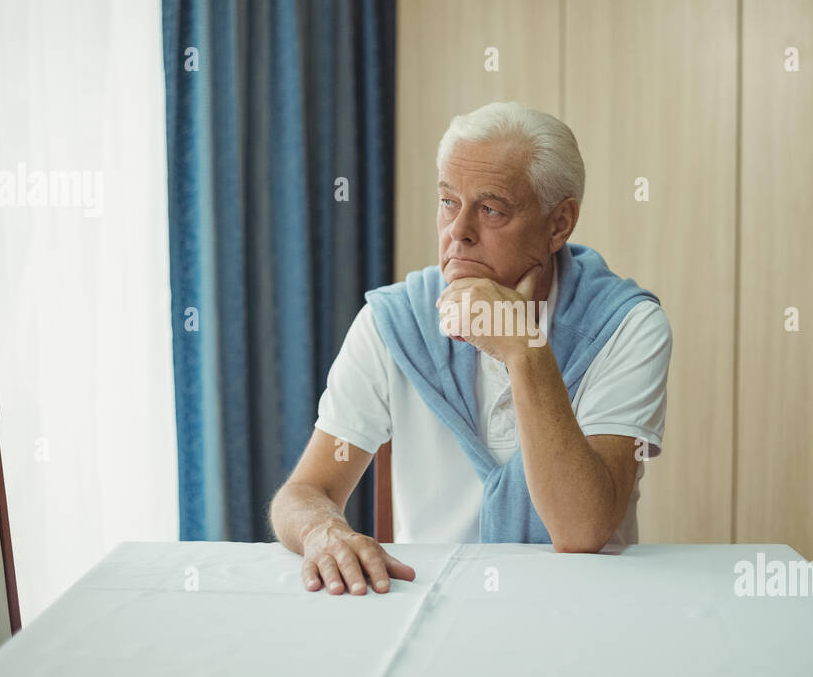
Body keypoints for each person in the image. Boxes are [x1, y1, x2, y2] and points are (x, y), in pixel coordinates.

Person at [269, 101, 672, 594]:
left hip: (582, 608)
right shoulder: (394, 322)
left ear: (559, 224)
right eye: (447, 203)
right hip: (428, 601)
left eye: (490, 209)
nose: (458, 232)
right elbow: (306, 490)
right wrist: (323, 531)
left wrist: (525, 349)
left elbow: (581, 531)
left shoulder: (627, 325)